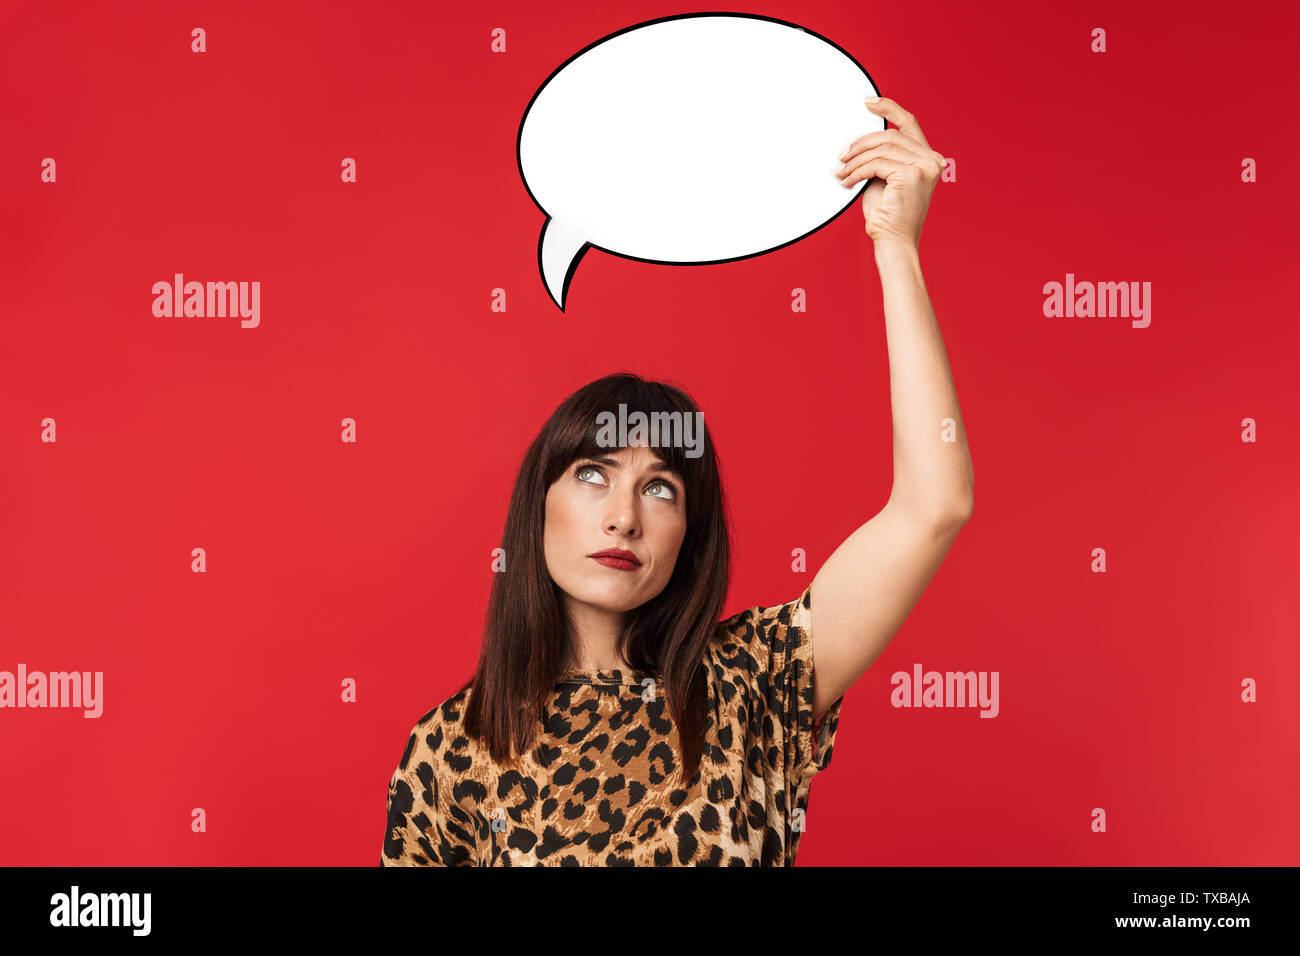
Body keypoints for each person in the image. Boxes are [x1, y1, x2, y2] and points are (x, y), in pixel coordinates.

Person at [381, 96, 971, 866]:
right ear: (538, 507)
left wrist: (895, 246)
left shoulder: (756, 682)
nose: (623, 516)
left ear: (690, 532)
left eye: (660, 487)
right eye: (593, 474)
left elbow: (934, 504)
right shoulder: (449, 752)